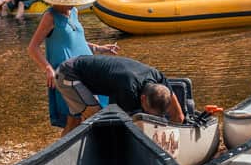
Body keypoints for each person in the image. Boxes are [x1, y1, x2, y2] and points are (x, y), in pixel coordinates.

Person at [27, 0, 119, 132]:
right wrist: (48, 69)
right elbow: (32, 48)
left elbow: (77, 40)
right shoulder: (50, 16)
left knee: (82, 115)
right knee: (76, 117)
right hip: (66, 73)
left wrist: (99, 48)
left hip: (85, 68)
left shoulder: (74, 12)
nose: (75, 4)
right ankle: (64, 152)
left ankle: (78, 149)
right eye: (71, 0)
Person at [53, 54, 182, 133]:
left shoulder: (158, 78)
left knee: (74, 122)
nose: (148, 114)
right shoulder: (128, 89)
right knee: (100, 119)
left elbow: (179, 115)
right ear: (142, 98)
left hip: (77, 69)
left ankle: (58, 153)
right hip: (69, 75)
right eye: (147, 111)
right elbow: (123, 123)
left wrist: (177, 127)